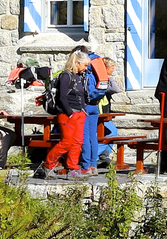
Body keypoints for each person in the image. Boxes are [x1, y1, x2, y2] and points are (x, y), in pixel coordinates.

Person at [40, 50, 91, 177]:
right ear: (77, 63)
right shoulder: (65, 76)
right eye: (85, 65)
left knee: (77, 142)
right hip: (67, 114)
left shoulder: (79, 77)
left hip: (79, 113)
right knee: (66, 142)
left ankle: (72, 168)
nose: (86, 68)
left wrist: (83, 110)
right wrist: (69, 112)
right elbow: (62, 97)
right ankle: (48, 165)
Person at [78, 44, 117, 172]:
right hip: (95, 104)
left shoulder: (85, 66)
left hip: (85, 106)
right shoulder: (97, 64)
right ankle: (93, 165)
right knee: (93, 137)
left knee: (85, 136)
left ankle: (86, 166)